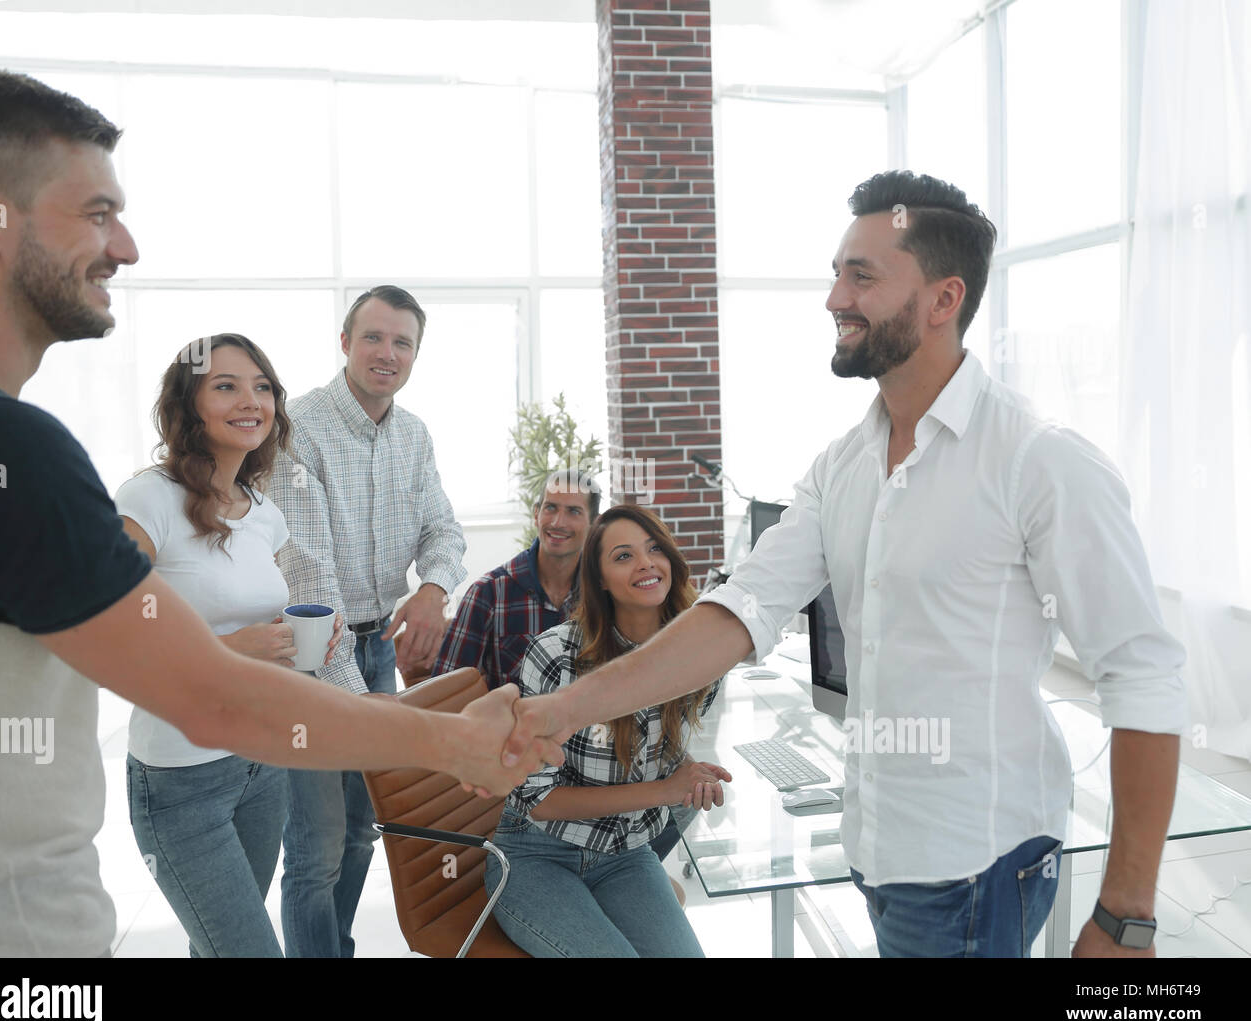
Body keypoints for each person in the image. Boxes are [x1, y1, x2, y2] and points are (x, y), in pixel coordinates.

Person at [0, 67, 558, 958]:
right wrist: (448, 742)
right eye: (96, 213)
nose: (126, 247)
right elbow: (207, 692)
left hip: (68, 893)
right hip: (16, 942)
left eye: (260, 388)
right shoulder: (13, 451)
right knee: (305, 875)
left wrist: (416, 615)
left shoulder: (12, 448)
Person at [503, 171, 1188, 959]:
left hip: (976, 863)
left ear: (944, 299)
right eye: (837, 274)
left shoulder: (1038, 460)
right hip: (878, 847)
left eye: (862, 276)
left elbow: (1143, 676)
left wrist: (1125, 916)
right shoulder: (844, 465)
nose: (835, 298)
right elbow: (740, 611)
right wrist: (559, 711)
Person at [114, 333, 343, 957]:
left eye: (262, 387)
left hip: (261, 763)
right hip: (180, 778)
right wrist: (229, 650)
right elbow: (110, 633)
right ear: (188, 404)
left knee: (215, 947)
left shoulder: (264, 513)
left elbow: (248, 616)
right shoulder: (148, 498)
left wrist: (303, 641)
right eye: (226, 386)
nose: (251, 400)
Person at [267, 284, 467, 957]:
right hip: (312, 652)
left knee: (361, 834)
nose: (387, 353)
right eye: (374, 337)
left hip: (378, 645)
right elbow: (311, 584)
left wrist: (433, 589)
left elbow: (443, 529)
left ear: (415, 354)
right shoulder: (299, 429)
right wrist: (371, 713)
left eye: (402, 342)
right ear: (345, 342)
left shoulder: (413, 434)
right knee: (317, 847)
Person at [485, 505, 731, 958]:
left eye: (654, 549)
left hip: (626, 856)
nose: (645, 564)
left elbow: (660, 749)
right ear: (599, 579)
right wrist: (666, 790)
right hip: (536, 855)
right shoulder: (555, 655)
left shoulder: (702, 656)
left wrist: (689, 773)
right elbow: (540, 801)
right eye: (623, 556)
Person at [431, 467, 601, 690]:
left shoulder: (604, 592)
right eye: (550, 508)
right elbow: (444, 693)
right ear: (536, 514)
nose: (558, 522)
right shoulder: (488, 593)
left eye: (574, 511)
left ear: (594, 524)